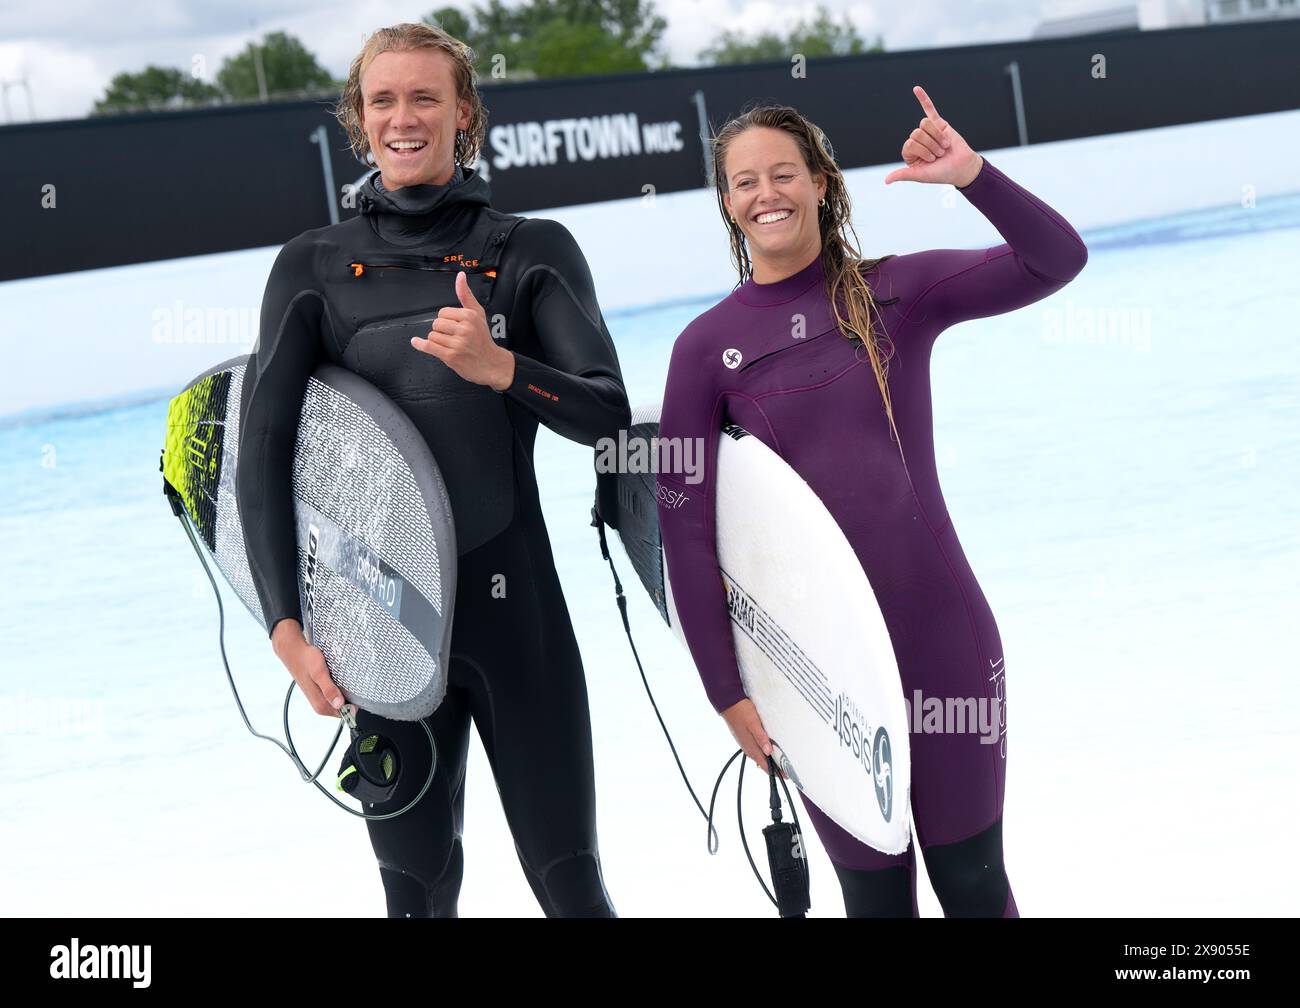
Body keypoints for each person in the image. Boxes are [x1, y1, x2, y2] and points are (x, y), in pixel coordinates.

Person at [656, 88, 1088, 917]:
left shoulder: (895, 294)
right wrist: (726, 689)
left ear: (821, 182)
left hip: (941, 637)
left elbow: (1055, 261)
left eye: (784, 173)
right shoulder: (705, 350)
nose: (765, 193)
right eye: (744, 183)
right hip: (816, 674)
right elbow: (686, 527)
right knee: (876, 905)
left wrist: (973, 177)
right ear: (726, 205)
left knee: (973, 885)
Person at [235, 23, 631, 918]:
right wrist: (285, 627)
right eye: (383, 100)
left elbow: (607, 413)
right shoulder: (313, 269)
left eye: (426, 98)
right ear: (359, 120)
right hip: (381, 629)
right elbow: (262, 449)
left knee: (572, 888)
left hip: (516, 619)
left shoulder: (530, 250)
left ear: (464, 114)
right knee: (413, 898)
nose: (403, 117)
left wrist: (503, 370)